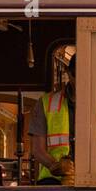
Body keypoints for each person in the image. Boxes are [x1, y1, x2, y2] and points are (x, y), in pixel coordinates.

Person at [29, 55, 76, 184]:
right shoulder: (45, 103)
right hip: (53, 180)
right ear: (69, 74)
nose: (80, 80)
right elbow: (38, 150)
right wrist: (55, 166)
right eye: (76, 74)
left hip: (93, 179)